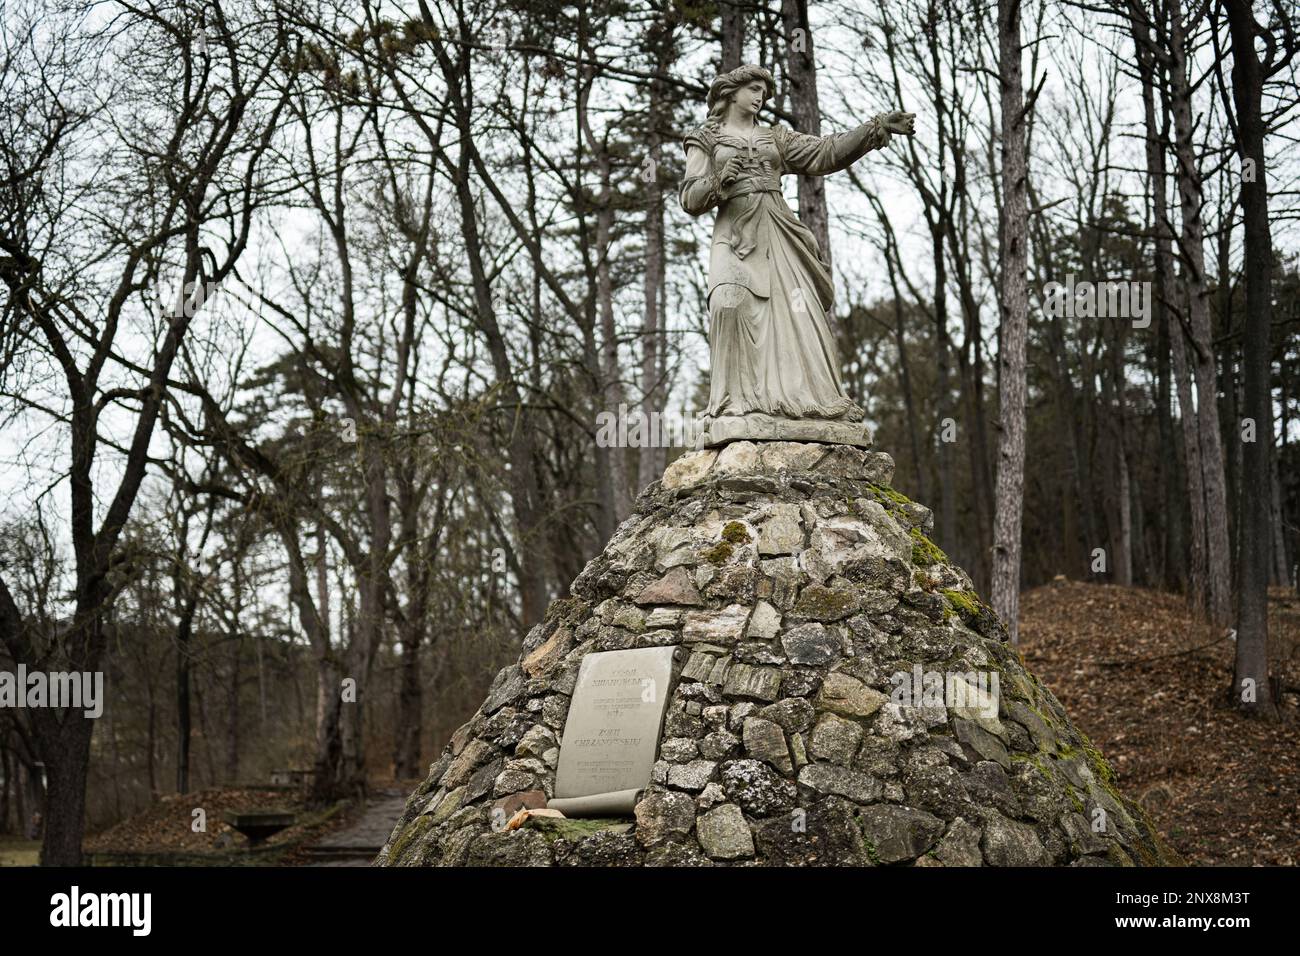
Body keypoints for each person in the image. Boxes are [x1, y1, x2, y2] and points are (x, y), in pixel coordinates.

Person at [679, 64, 915, 434]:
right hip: (734, 235)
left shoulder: (775, 137)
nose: (760, 97)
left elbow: (825, 153)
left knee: (797, 313)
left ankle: (799, 404)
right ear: (732, 91)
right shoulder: (706, 137)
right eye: (754, 88)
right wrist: (718, 180)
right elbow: (690, 199)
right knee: (728, 302)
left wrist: (876, 128)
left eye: (764, 91)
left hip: (777, 231)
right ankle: (734, 407)